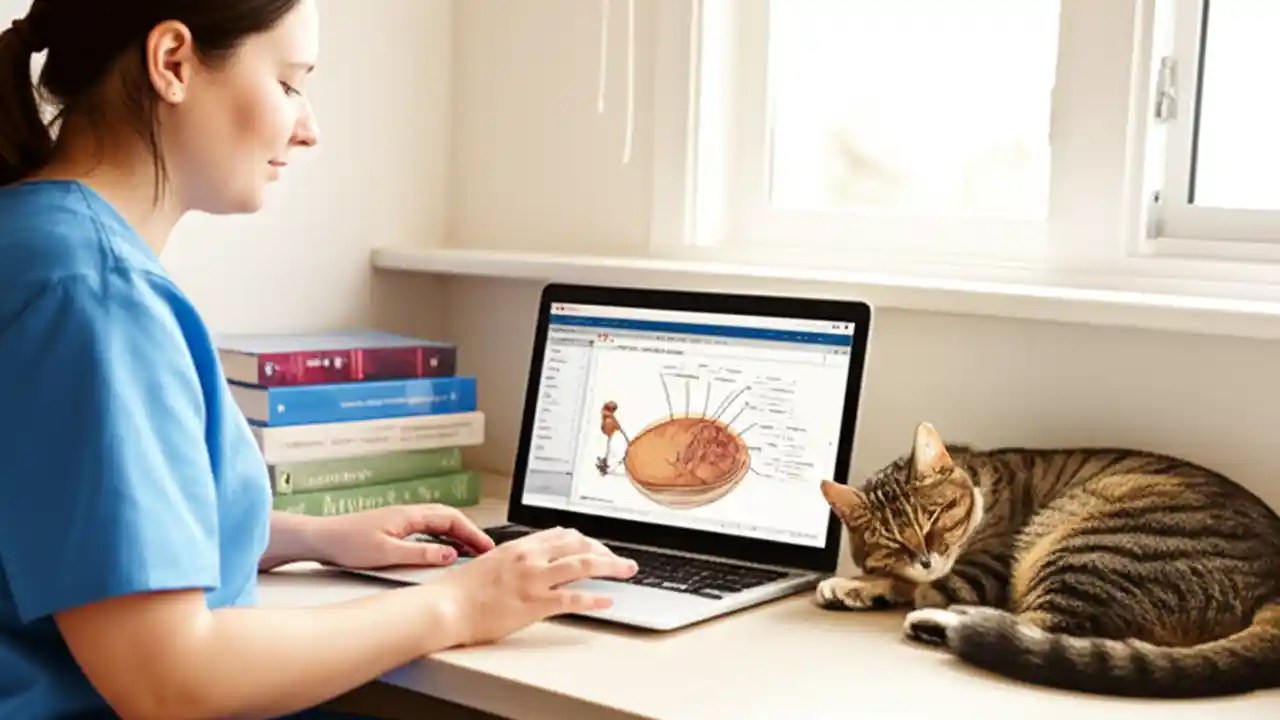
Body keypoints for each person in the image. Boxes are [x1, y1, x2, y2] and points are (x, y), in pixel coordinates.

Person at [0, 1, 638, 717]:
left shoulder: (35, 242)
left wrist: (308, 537)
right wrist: (459, 604)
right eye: (290, 83)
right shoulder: (94, 294)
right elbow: (168, 680)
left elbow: (56, 518)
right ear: (172, 63)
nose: (308, 129)